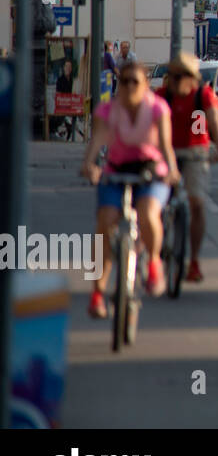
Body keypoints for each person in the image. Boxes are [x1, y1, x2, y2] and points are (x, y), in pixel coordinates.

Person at [79, 59, 179, 316]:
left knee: (147, 213)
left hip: (150, 172)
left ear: (146, 84)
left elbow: (166, 146)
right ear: (118, 85)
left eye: (135, 81)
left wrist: (172, 171)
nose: (130, 86)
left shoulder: (158, 109)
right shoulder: (107, 111)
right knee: (105, 223)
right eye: (124, 81)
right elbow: (98, 140)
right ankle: (98, 294)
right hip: (116, 171)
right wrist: (89, 164)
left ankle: (154, 262)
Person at [159, 52, 218, 282]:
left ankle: (194, 261)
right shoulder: (162, 96)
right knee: (154, 203)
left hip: (195, 154)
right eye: (174, 77)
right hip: (164, 155)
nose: (177, 82)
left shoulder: (202, 96)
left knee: (196, 204)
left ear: (192, 78)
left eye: (182, 77)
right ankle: (156, 248)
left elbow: (214, 122)